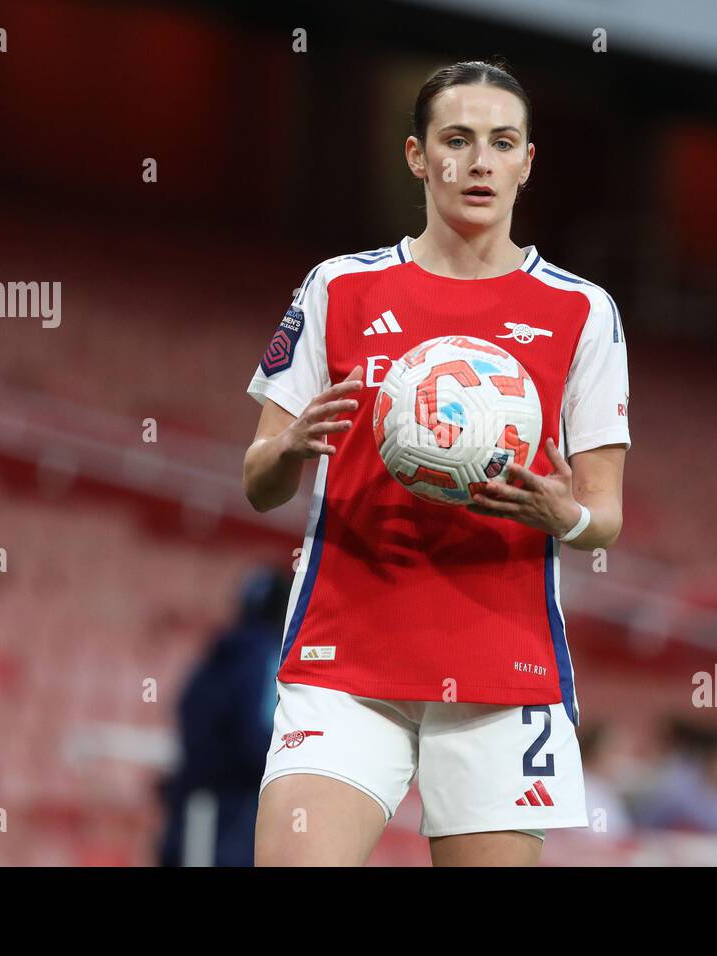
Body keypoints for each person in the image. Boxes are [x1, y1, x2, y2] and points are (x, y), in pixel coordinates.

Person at [243, 60, 631, 866]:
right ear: (418, 157)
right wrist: (289, 447)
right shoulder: (337, 288)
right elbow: (258, 481)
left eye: (502, 142)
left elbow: (604, 518)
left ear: (528, 162)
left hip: (503, 672)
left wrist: (566, 516)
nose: (480, 162)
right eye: (457, 140)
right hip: (344, 660)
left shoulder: (582, 311)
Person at [157, 568, 290, 866]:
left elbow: (185, 709)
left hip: (190, 805)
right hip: (235, 815)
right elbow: (260, 740)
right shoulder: (267, 655)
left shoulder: (218, 651)